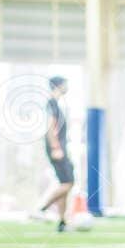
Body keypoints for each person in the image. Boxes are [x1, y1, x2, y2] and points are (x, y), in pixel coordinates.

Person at [33, 75, 75, 232]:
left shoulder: (56, 104)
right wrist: (56, 147)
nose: (67, 87)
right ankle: (41, 208)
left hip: (60, 149)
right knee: (68, 183)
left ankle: (63, 222)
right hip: (56, 149)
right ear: (58, 86)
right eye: (65, 85)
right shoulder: (51, 104)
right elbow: (50, 128)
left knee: (65, 183)